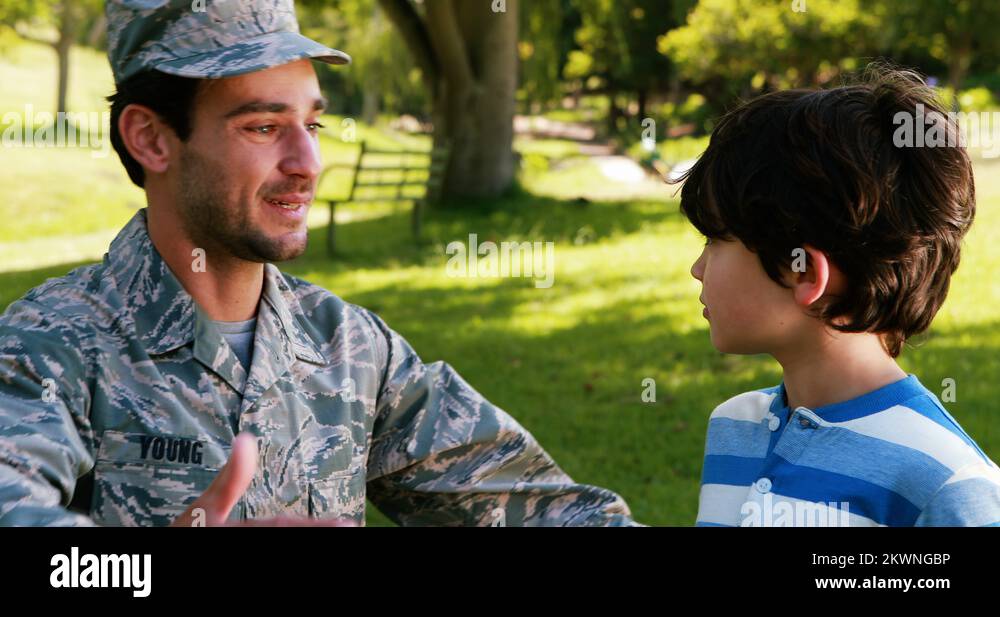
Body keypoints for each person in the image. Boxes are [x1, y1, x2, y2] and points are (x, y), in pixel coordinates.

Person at [0, 0, 635, 527]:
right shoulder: (51, 344)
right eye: (262, 127)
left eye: (313, 124)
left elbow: (542, 512)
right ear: (152, 138)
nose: (307, 163)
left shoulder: (351, 348)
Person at [682, 66, 1000, 527]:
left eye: (713, 241)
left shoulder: (947, 484)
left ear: (804, 272)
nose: (697, 269)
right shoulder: (734, 427)